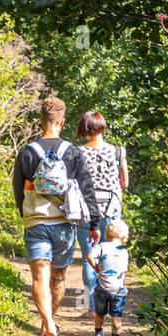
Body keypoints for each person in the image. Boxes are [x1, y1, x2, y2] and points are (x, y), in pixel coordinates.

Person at [12, 96, 102, 336]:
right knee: (58, 276)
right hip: (64, 224)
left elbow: (18, 189)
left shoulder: (27, 152)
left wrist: (25, 212)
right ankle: (50, 320)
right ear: (61, 122)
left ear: (41, 120)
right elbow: (86, 189)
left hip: (36, 222)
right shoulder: (71, 152)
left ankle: (48, 323)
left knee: (39, 276)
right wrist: (94, 223)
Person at [74, 110, 129, 321]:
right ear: (102, 126)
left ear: (84, 129)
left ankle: (93, 305)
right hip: (112, 210)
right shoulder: (118, 152)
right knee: (114, 254)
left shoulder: (77, 153)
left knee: (89, 256)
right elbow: (125, 182)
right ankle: (114, 298)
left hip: (86, 211)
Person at [87, 218, 130, 336]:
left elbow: (89, 255)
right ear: (123, 235)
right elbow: (124, 270)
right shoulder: (125, 250)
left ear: (107, 233)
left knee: (99, 313)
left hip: (102, 287)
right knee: (117, 315)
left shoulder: (102, 246)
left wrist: (96, 268)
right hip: (118, 289)